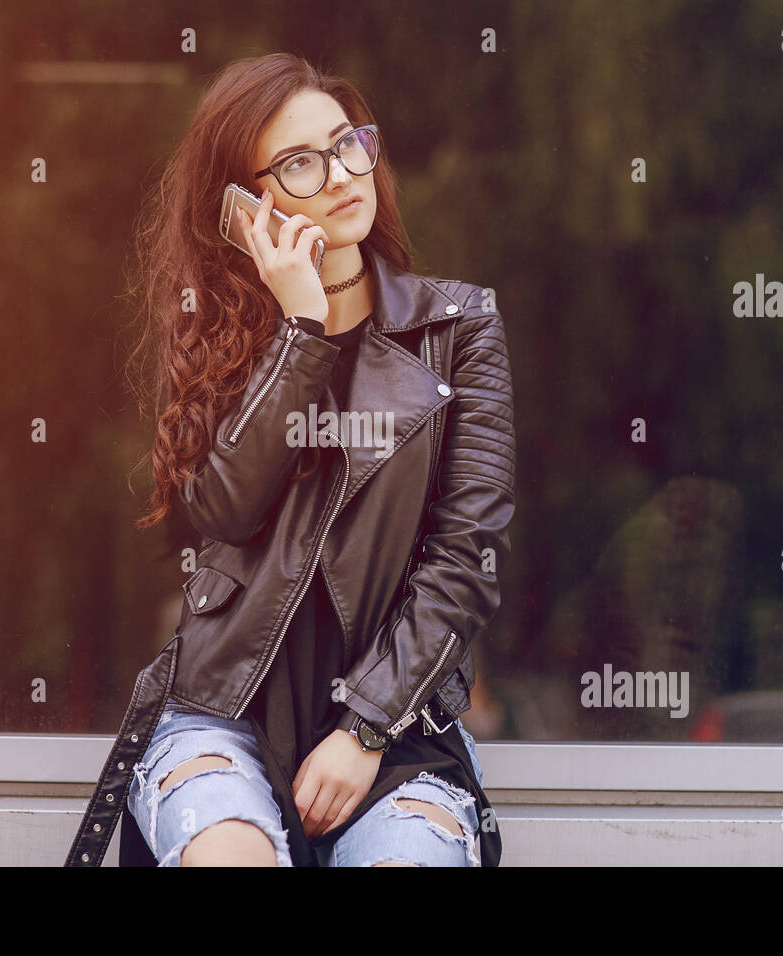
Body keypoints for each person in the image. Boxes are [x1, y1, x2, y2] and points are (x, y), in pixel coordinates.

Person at [68, 51, 516, 867]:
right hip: (223, 716)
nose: (343, 174)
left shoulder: (460, 330)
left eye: (348, 144)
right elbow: (225, 509)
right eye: (300, 163)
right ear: (246, 205)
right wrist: (302, 328)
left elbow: (467, 559)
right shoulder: (215, 335)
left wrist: (366, 726)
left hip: (399, 740)